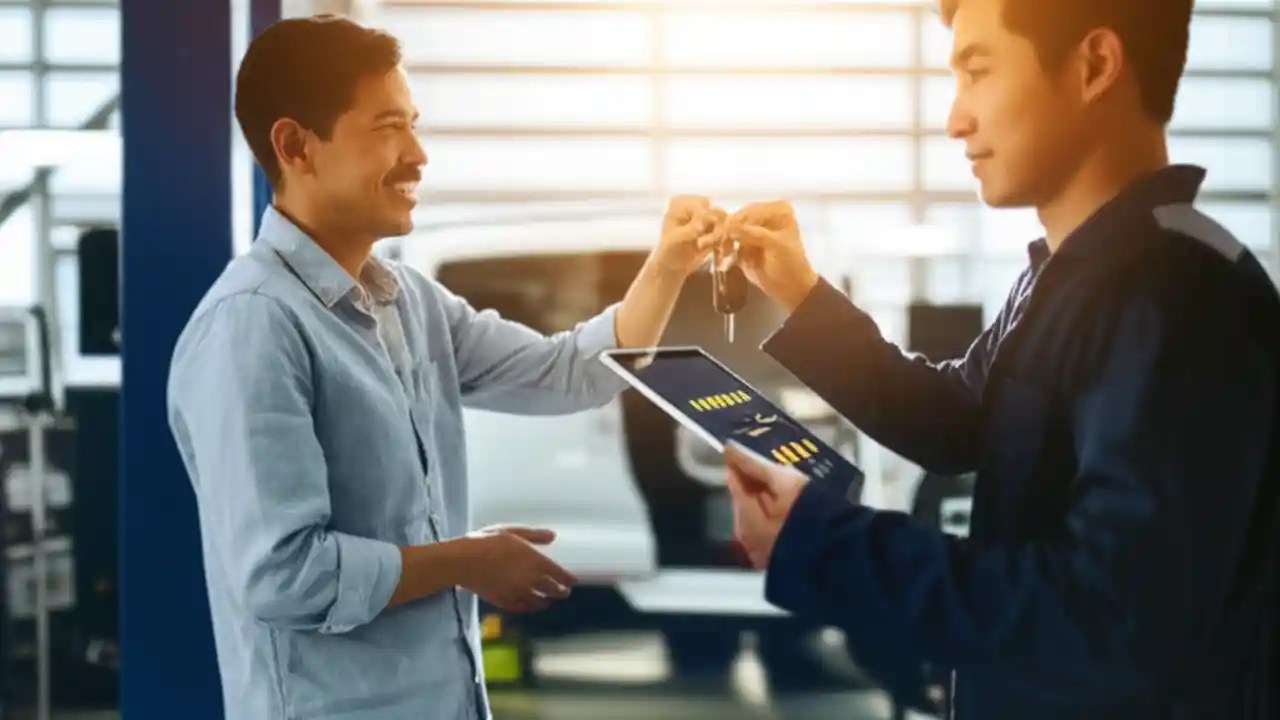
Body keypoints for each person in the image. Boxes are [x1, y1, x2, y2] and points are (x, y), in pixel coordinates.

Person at [718, 0, 1280, 717]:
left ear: (1095, 65)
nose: (956, 119)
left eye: (978, 73)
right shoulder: (1077, 276)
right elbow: (957, 423)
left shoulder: (1176, 296)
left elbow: (1113, 619)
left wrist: (825, 546)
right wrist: (801, 295)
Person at [166, 15, 726, 720]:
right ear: (295, 145)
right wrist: (466, 561)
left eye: (414, 124)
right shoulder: (253, 326)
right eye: (387, 128)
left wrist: (669, 265)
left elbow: (568, 373)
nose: (418, 154)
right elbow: (285, 577)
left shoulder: (410, 301)